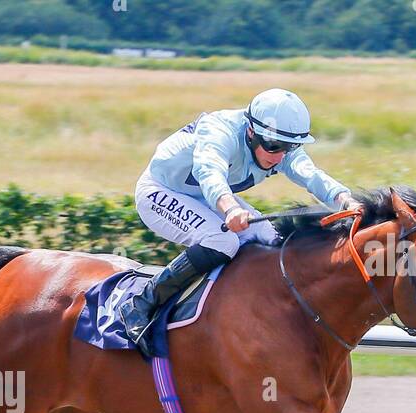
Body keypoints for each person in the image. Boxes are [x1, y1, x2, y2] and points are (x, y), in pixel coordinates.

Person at [119, 88, 361, 354]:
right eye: (272, 145)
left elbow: (311, 175)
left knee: (270, 241)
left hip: (201, 195)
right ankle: (141, 304)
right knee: (222, 240)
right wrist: (230, 208)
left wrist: (345, 200)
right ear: (250, 132)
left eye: (289, 147)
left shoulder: (279, 144)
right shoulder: (219, 131)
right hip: (160, 192)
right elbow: (209, 173)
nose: (279, 156)